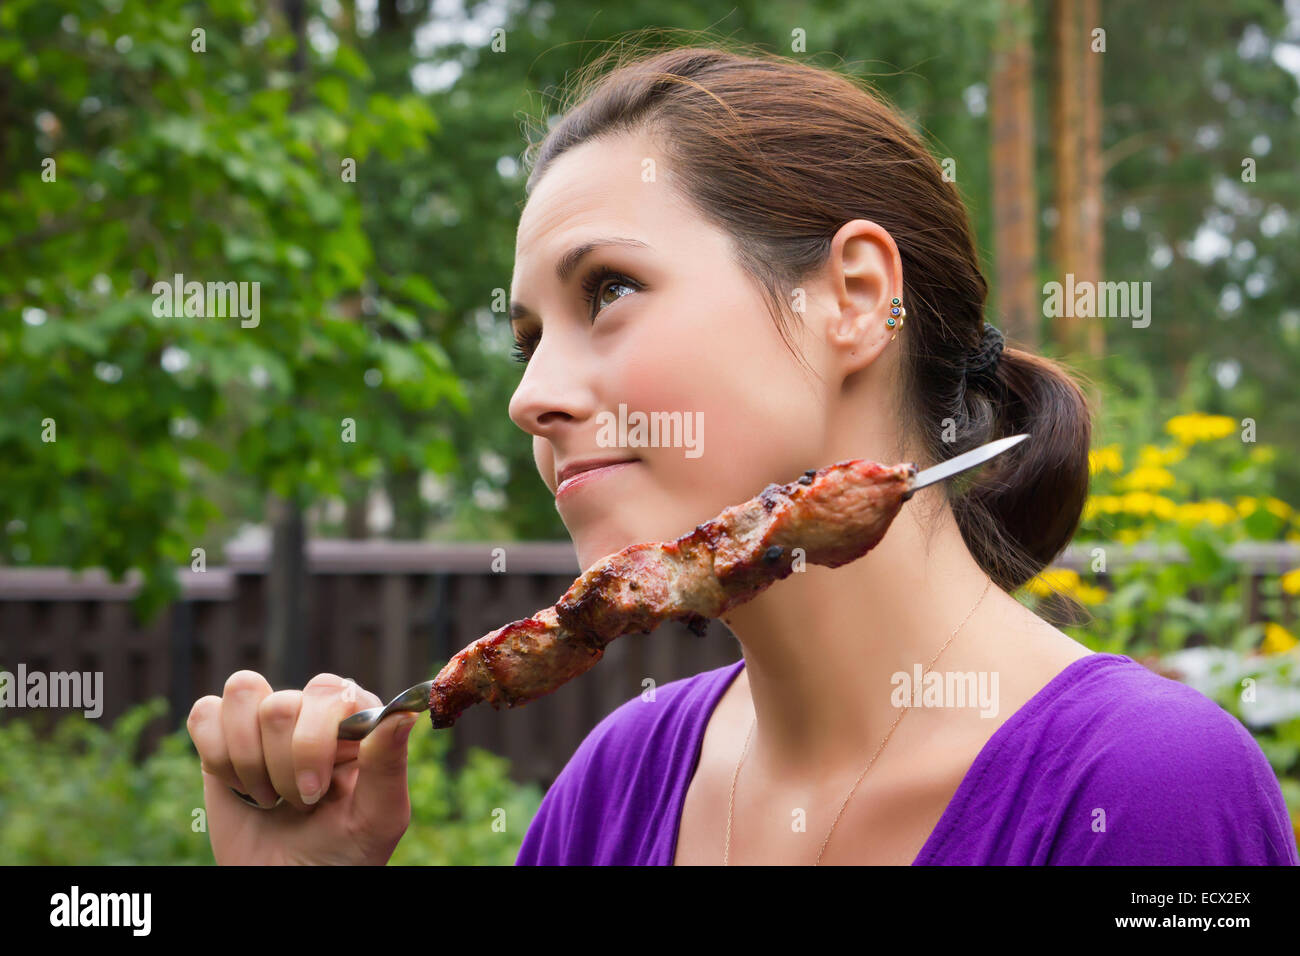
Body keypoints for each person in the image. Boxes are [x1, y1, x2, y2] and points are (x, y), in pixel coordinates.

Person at [187, 42, 1298, 866]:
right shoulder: (611, 789)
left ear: (854, 300)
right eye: (525, 341)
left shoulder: (1144, 791)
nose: (529, 397)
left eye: (608, 290)